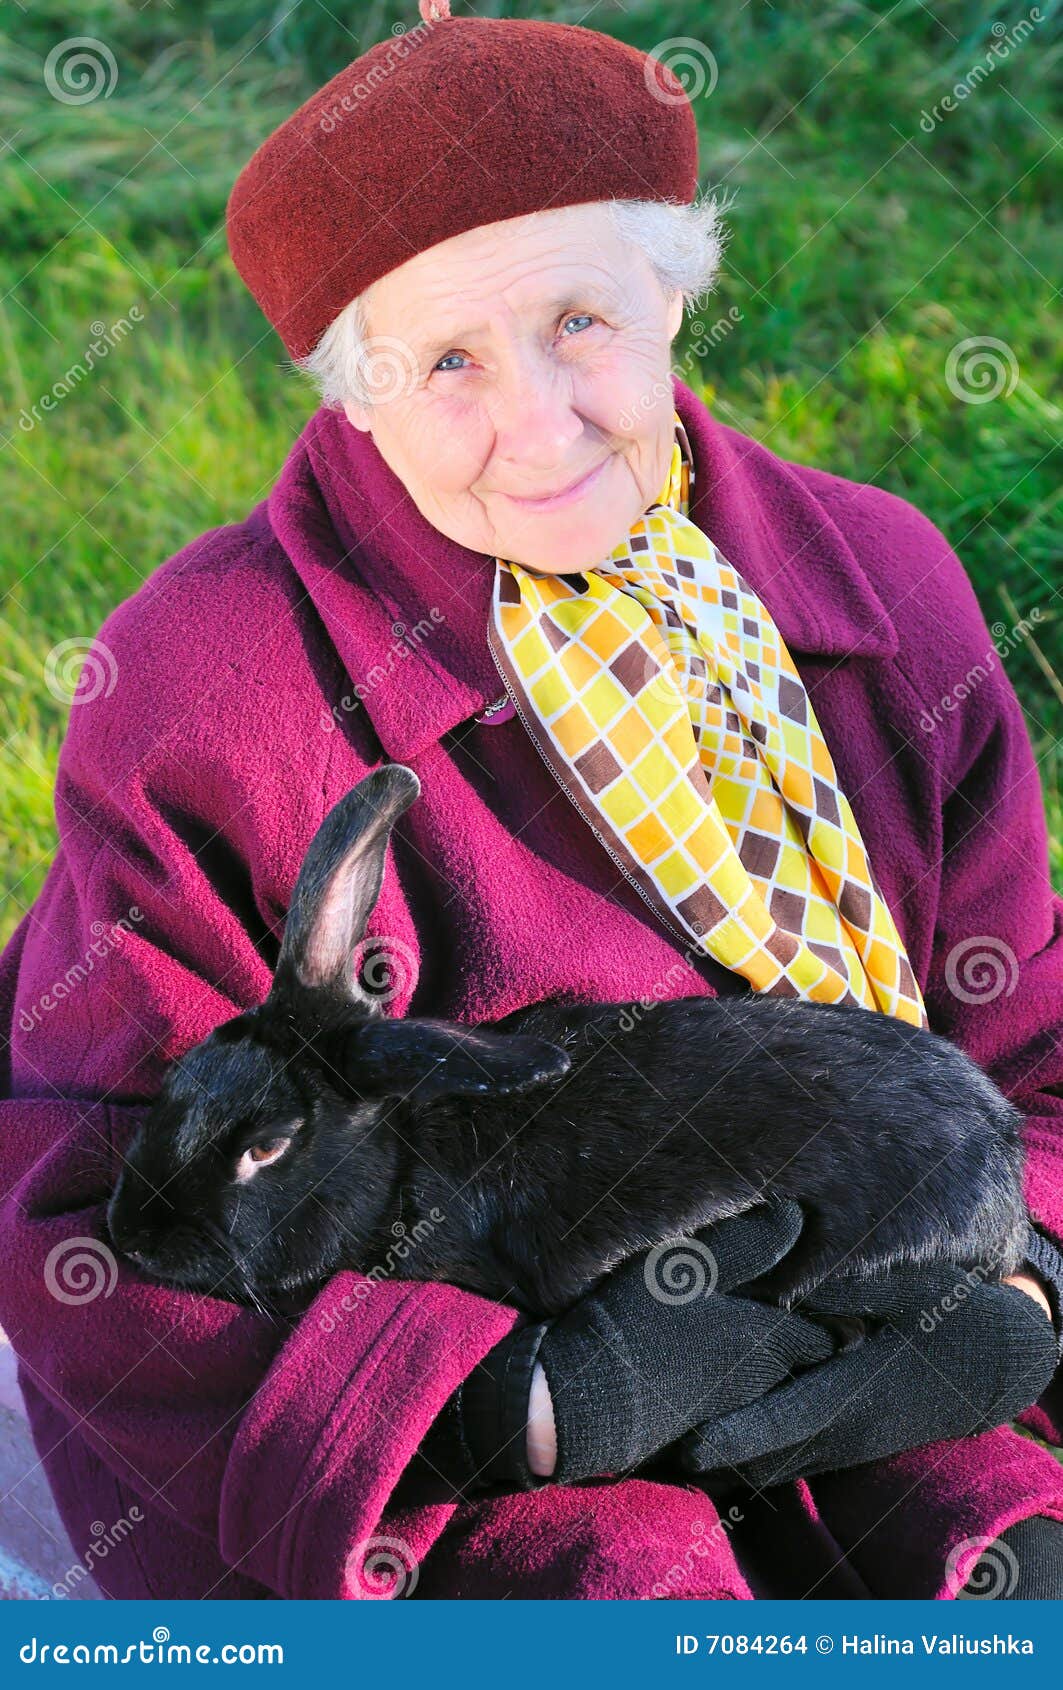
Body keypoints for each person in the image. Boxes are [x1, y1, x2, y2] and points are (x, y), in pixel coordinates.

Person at [1, 2, 1062, 1602]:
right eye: (446, 360)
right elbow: (92, 1211)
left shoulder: (885, 589)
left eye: (580, 319)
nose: (540, 424)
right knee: (614, 1583)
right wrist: (523, 1401)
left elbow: (1031, 1045)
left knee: (995, 1543)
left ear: (677, 289)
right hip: (460, 1414)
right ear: (353, 393)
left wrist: (1021, 1256)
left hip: (873, 1297)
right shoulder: (198, 686)